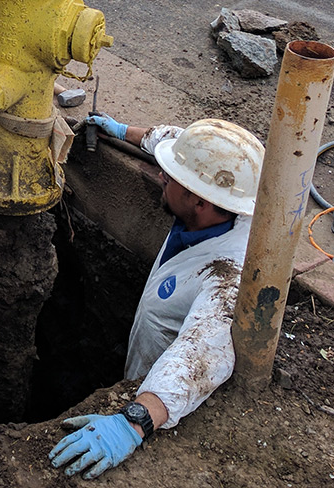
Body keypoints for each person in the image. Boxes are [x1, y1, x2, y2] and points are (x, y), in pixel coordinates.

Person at [49, 116, 265, 479]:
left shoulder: (227, 278)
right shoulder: (219, 201)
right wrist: (121, 131)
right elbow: (173, 139)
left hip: (151, 381)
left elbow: (201, 356)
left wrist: (134, 423)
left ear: (199, 200)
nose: (160, 176)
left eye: (171, 176)